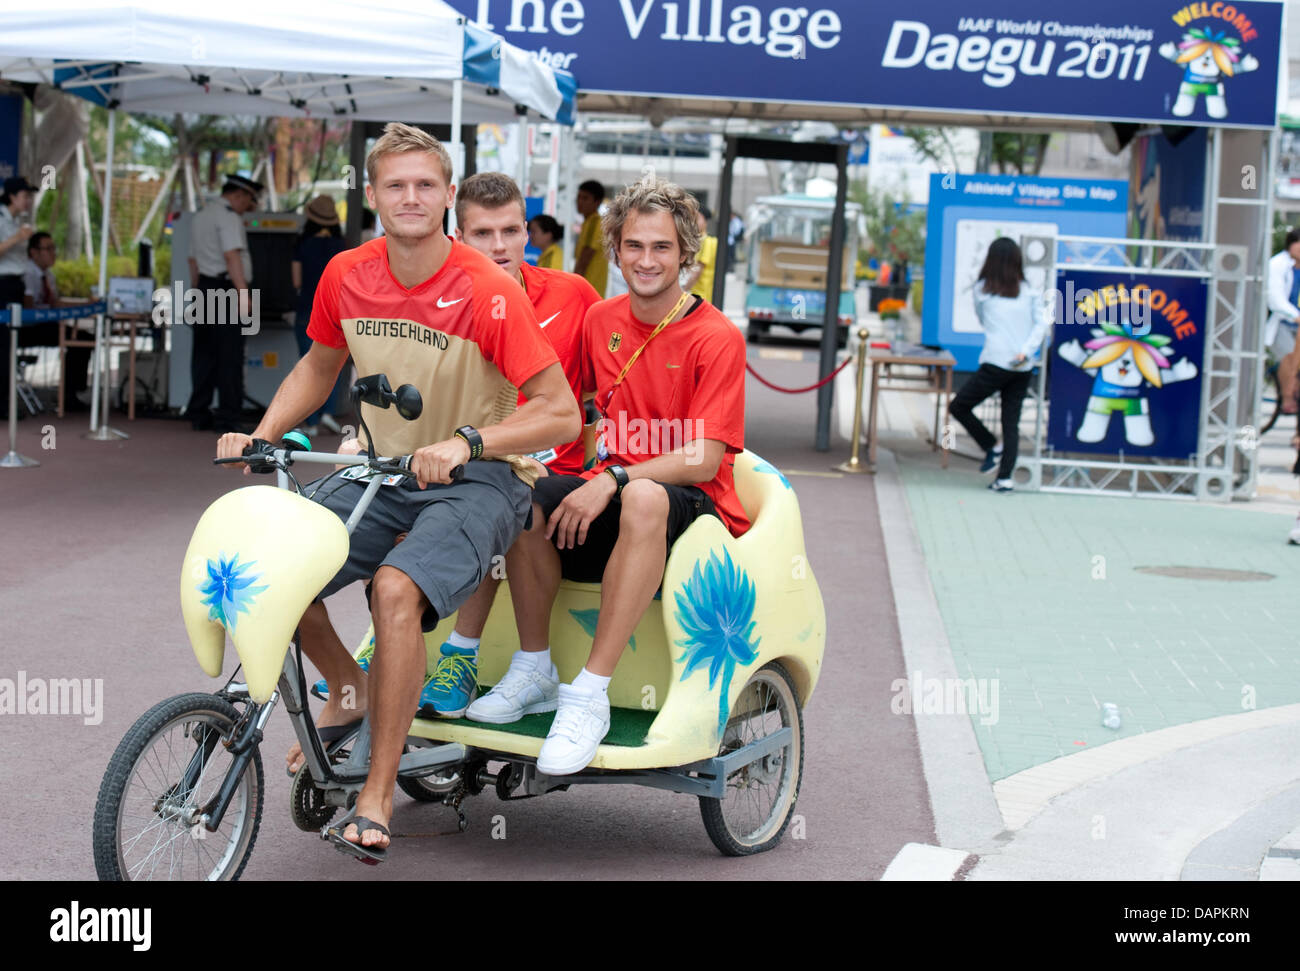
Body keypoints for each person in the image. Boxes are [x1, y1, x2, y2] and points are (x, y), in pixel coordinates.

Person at [218, 122, 579, 860]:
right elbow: (319, 367)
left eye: (425, 184)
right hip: (387, 469)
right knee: (269, 570)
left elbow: (560, 410)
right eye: (395, 184)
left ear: (447, 194)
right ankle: (348, 687)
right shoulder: (348, 272)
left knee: (393, 588)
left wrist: (468, 441)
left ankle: (377, 791)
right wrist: (261, 433)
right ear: (374, 195)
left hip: (484, 478)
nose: (410, 197)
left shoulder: (486, 287)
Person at [289, 171, 599, 765]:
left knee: (505, 500)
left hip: (544, 466)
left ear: (528, 231)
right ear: (460, 235)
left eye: (513, 230)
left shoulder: (572, 296)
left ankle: (463, 652)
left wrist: (611, 471)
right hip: (442, 458)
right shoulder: (446, 292)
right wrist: (362, 434)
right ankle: (380, 656)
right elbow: (404, 391)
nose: (501, 246)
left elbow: (598, 396)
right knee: (398, 490)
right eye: (484, 234)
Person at [492, 177, 749, 775]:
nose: (647, 260)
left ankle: (589, 694)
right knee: (520, 494)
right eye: (634, 246)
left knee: (644, 498)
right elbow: (562, 408)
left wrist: (612, 478)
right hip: (619, 490)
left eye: (661, 247)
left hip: (693, 506)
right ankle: (534, 669)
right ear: (616, 249)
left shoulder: (717, 337)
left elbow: (705, 458)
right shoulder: (600, 318)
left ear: (686, 252)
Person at [947, 237, 1050, 493]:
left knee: (959, 406)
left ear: (990, 260)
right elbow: (1041, 324)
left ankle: (992, 447)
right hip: (1021, 365)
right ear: (1017, 260)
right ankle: (1004, 478)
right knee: (1010, 422)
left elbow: (983, 320)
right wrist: (1026, 351)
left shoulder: (982, 290)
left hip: (996, 361)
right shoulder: (1029, 290)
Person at [185, 173, 263, 432]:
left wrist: (196, 293)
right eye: (247, 201)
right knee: (229, 355)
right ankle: (228, 417)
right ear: (237, 195)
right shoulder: (228, 217)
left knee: (204, 355)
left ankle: (199, 412)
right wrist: (243, 293)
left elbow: (192, 261)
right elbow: (231, 256)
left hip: (204, 288)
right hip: (227, 290)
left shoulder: (200, 216)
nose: (246, 208)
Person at [291, 195, 347, 434]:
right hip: (337, 310)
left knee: (309, 364)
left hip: (308, 308)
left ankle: (311, 421)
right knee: (334, 364)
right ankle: (328, 412)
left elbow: (297, 281)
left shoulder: (301, 244)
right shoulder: (342, 246)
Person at [22, 232, 93, 410]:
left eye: (54, 248)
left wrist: (84, 304)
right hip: (28, 328)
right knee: (78, 339)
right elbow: (30, 307)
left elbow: (55, 303)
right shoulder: (27, 273)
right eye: (48, 249)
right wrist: (52, 311)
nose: (53, 253)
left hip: (46, 324)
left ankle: (71, 391)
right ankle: (68, 394)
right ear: (34, 252)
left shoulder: (49, 276)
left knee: (83, 337)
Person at [0, 176, 36, 418]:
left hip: (16, 285)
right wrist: (18, 238)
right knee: (2, 344)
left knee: (11, 344)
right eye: (25, 195)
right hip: (2, 285)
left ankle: (6, 401)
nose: (28, 201)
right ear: (12, 196)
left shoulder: (16, 220)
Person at [1266, 228, 1300, 414]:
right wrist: (1295, 316)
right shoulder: (1277, 265)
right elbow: (1275, 298)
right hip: (1283, 321)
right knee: (1288, 355)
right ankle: (1287, 397)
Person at [572, 179, 608, 296]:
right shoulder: (588, 222)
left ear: (597, 202)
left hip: (588, 288)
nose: (579, 202)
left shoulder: (594, 222)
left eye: (585, 198)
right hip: (591, 288)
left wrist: (573, 286)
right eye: (579, 197)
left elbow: (585, 257)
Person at [682, 204, 717, 302]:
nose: (693, 222)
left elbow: (697, 271)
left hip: (702, 295)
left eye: (697, 218)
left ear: (706, 221)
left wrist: (683, 290)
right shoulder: (698, 241)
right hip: (697, 294)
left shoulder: (708, 242)